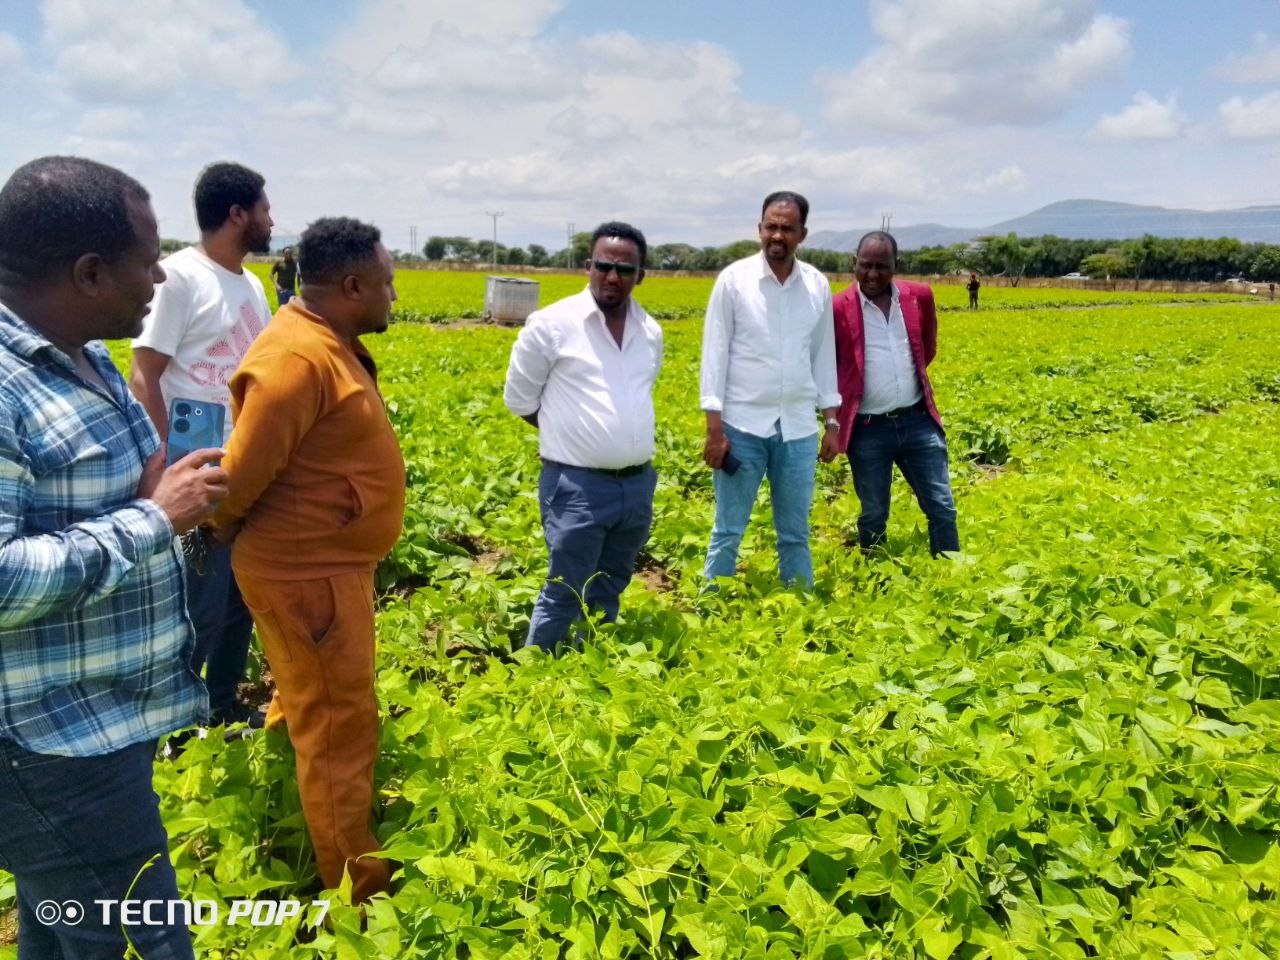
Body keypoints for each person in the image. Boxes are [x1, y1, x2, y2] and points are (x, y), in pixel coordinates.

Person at [0, 156, 227, 958]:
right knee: (146, 940)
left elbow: (115, 499)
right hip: (46, 740)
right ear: (90, 273)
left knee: (63, 935)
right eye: (145, 257)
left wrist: (173, 489)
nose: (160, 275)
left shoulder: (89, 360)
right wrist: (152, 518)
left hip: (101, 716)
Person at [211, 216, 405, 904]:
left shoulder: (326, 342)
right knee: (339, 731)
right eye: (386, 283)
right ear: (351, 286)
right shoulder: (297, 358)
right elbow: (238, 478)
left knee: (307, 703)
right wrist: (223, 527)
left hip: (323, 569)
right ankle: (357, 896)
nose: (394, 295)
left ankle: (284, 818)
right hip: (306, 576)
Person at [130, 161, 273, 728]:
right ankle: (178, 730)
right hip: (197, 470)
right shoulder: (179, 277)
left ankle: (221, 709)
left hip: (242, 469)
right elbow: (145, 376)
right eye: (264, 209)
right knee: (199, 610)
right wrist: (166, 469)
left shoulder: (252, 284)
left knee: (241, 604)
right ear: (237, 214)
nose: (271, 220)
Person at [504, 222, 662, 651]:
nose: (613, 276)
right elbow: (520, 399)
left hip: (636, 483)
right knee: (565, 588)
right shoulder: (552, 325)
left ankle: (589, 661)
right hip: (577, 485)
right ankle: (537, 676)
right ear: (587, 266)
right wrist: (573, 433)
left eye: (625, 269)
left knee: (611, 582)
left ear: (641, 275)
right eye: (605, 266)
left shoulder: (650, 330)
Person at [699, 191, 841, 588]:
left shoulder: (816, 285)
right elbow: (715, 354)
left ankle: (799, 607)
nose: (777, 235)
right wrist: (715, 429)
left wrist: (831, 420)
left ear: (802, 234)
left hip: (797, 429)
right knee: (728, 529)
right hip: (742, 426)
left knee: (795, 533)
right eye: (771, 227)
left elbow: (822, 355)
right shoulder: (734, 281)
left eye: (787, 228)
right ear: (759, 229)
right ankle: (712, 604)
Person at [833, 231, 959, 556]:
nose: (872, 274)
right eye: (865, 266)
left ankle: (951, 573)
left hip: (917, 422)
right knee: (874, 513)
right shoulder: (835, 308)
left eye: (881, 266)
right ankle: (876, 577)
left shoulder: (919, 296)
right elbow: (828, 366)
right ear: (854, 264)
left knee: (942, 507)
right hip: (867, 428)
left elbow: (926, 349)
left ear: (896, 265)